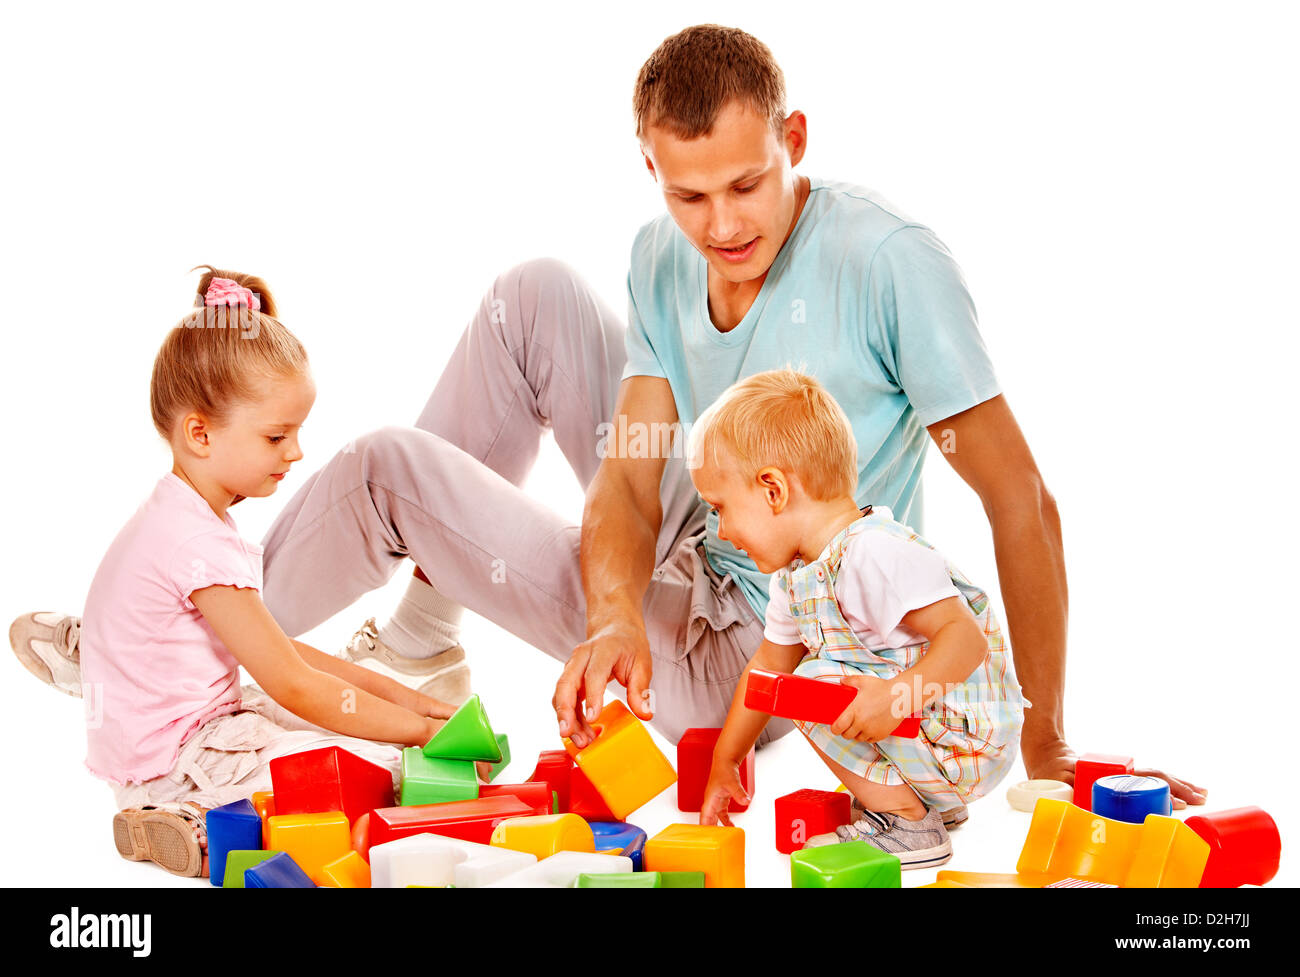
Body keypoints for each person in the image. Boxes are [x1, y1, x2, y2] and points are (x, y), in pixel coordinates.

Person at [12, 25, 1205, 808]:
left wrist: (1045, 738)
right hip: (693, 528)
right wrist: (616, 612)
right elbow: (634, 474)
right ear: (650, 169)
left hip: (761, 639)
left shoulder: (890, 266)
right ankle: (385, 631)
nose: (723, 223)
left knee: (383, 467)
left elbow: (1020, 500)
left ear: (793, 142)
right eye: (689, 194)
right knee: (533, 292)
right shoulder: (660, 258)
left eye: (748, 185)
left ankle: (157, 639)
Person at [10, 269, 467, 878]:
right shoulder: (198, 541)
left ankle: (194, 809)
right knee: (380, 773)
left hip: (183, 736)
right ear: (199, 433)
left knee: (369, 741)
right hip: (182, 763)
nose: (296, 452)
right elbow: (294, 683)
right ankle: (197, 824)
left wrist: (417, 707)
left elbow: (281, 653)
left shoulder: (180, 514)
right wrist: (416, 735)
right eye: (277, 436)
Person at [690, 369, 1026, 867]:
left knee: (810, 686)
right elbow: (765, 671)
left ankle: (910, 825)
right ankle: (926, 805)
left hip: (968, 738)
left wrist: (897, 697)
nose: (720, 530)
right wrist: (726, 758)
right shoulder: (796, 578)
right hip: (927, 735)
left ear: (773, 490)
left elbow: (966, 640)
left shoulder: (873, 552)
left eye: (720, 508)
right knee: (800, 681)